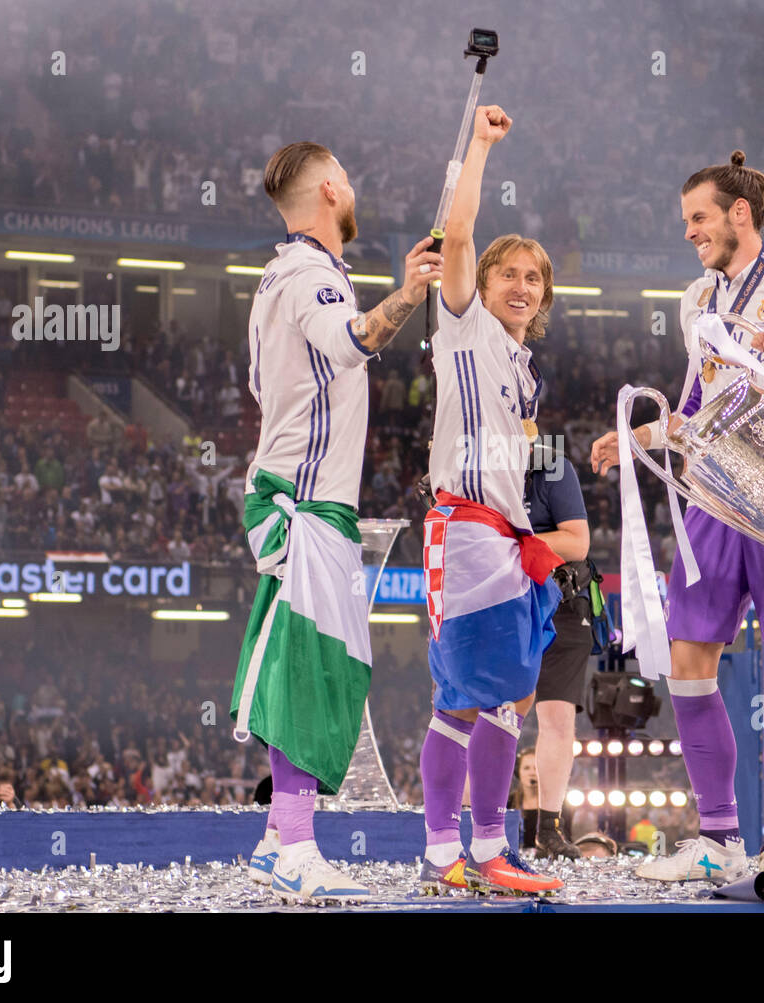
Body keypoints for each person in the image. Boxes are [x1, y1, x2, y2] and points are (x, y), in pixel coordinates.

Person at [591, 151, 764, 895]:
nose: (689, 232)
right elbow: (698, 412)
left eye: (698, 217)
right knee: (688, 659)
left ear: (738, 215)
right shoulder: (696, 299)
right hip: (714, 498)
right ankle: (717, 837)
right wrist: (642, 438)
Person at [233, 140, 443, 904]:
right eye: (347, 179)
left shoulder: (286, 276)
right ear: (327, 190)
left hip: (304, 495)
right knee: (312, 670)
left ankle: (272, 840)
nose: (353, 189)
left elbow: (270, 382)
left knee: (318, 667)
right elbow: (352, 341)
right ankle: (295, 845)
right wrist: (407, 295)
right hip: (305, 499)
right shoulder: (311, 276)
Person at [416, 105, 564, 897]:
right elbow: (460, 231)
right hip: (468, 537)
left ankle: (472, 849)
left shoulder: (521, 366)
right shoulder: (464, 328)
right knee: (471, 699)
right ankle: (458, 850)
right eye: (508, 271)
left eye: (532, 277)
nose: (519, 284)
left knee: (498, 696)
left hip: (503, 541)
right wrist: (476, 144)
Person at [522, 438, 592, 858]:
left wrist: (511, 538)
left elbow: (576, 543)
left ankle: (549, 828)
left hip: (562, 601)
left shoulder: (552, 465)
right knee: (495, 712)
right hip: (502, 599)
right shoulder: (473, 466)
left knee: (558, 718)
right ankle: (476, 823)